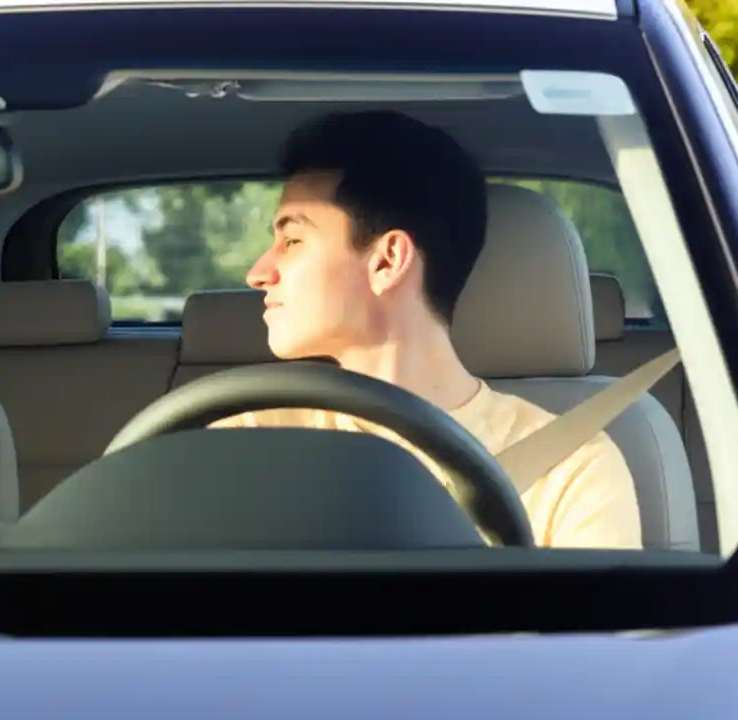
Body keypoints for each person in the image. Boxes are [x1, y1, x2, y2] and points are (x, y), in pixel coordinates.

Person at [212, 111, 641, 549]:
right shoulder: (244, 439)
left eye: (292, 241)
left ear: (387, 260)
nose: (258, 273)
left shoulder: (570, 468)